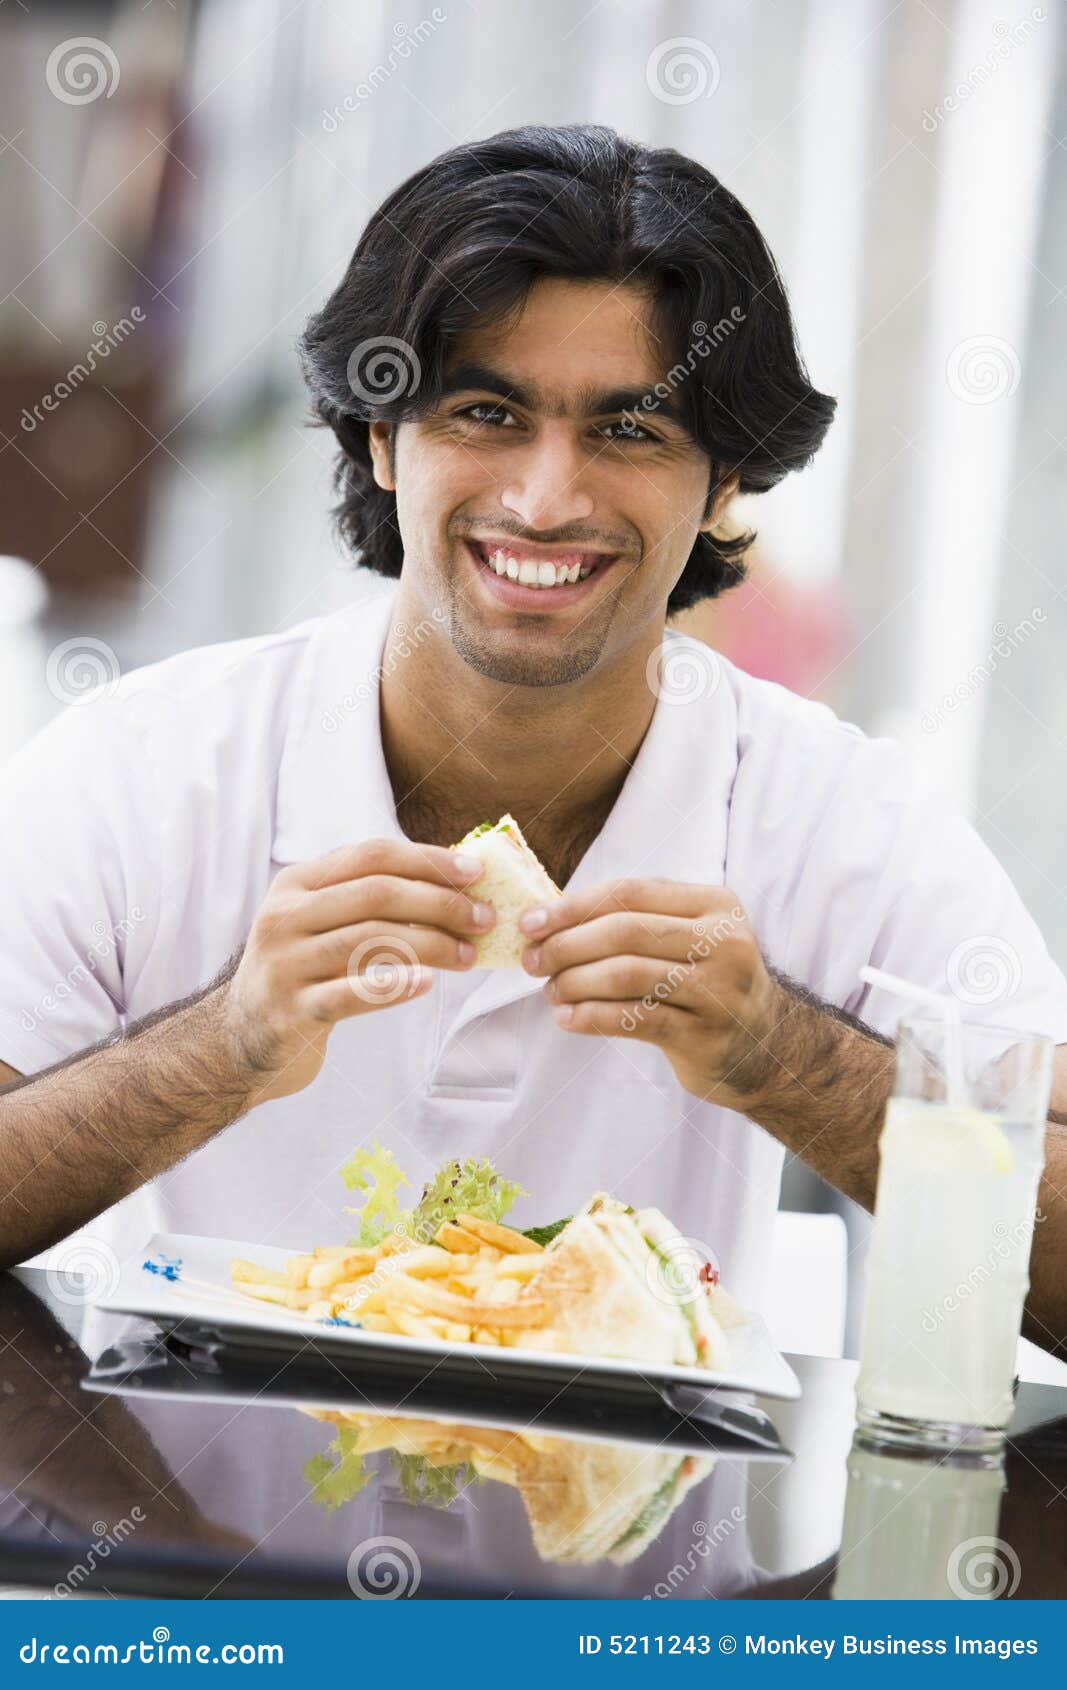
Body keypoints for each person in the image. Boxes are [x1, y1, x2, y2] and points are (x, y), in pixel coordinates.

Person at [1, 125, 1064, 1351]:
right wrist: (224, 1044)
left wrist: (784, 1057)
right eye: (485, 411)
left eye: (628, 430)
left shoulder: (838, 820)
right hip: (182, 1532)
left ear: (724, 482)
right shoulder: (145, 767)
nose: (545, 498)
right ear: (376, 435)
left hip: (651, 1534)